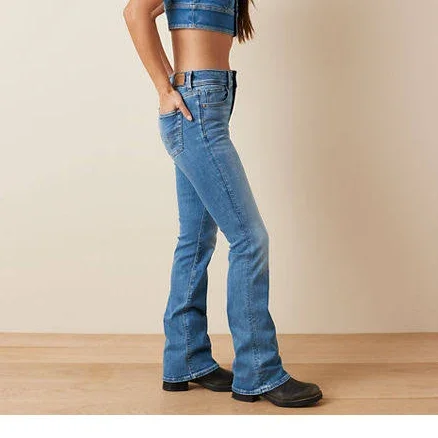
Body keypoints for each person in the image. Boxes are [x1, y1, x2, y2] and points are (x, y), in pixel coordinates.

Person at [123, 0, 323, 408]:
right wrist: (165, 88)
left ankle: (186, 359)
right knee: (250, 240)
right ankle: (259, 370)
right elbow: (134, 12)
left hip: (207, 101)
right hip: (195, 106)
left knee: (195, 240)